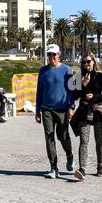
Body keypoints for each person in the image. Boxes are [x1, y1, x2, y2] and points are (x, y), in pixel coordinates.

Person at [36, 43, 76, 179]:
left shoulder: (67, 70)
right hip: (46, 109)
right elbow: (39, 91)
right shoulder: (43, 71)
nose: (51, 57)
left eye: (54, 54)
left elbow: (71, 90)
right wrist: (37, 111)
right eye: (49, 54)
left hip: (62, 109)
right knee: (49, 137)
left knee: (63, 136)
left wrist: (71, 107)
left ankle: (69, 155)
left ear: (59, 55)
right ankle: (54, 168)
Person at [71, 53, 102, 177]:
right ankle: (82, 169)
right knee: (84, 140)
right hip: (84, 110)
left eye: (88, 62)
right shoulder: (79, 76)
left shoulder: (100, 76)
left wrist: (94, 96)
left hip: (97, 110)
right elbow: (74, 95)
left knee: (99, 140)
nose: (86, 64)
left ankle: (100, 166)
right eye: (84, 62)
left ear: (93, 62)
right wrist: (83, 85)